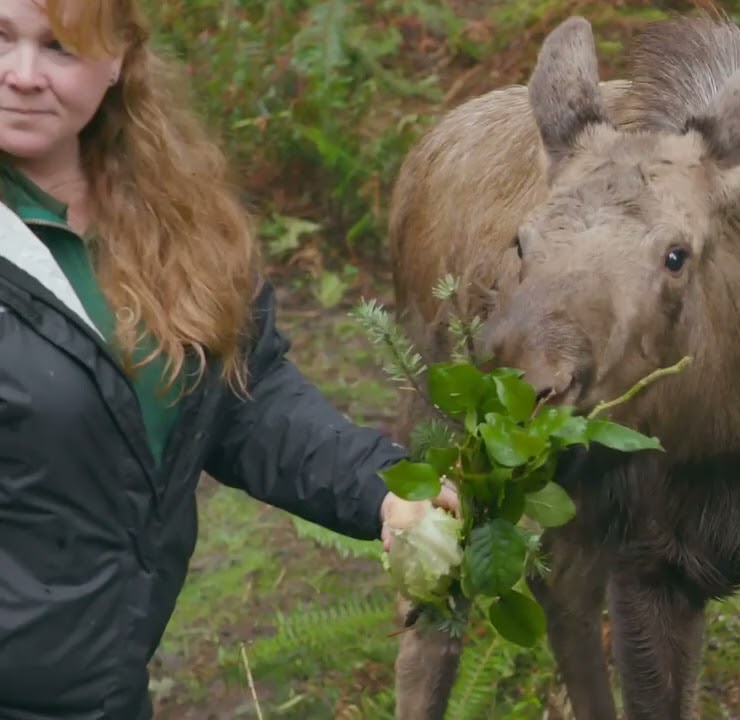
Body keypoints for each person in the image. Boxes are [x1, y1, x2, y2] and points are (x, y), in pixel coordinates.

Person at [0, 0, 457, 717]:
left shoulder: (169, 221)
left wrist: (384, 488)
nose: (22, 75)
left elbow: (246, 397)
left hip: (108, 682)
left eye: (58, 47)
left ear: (117, 57)